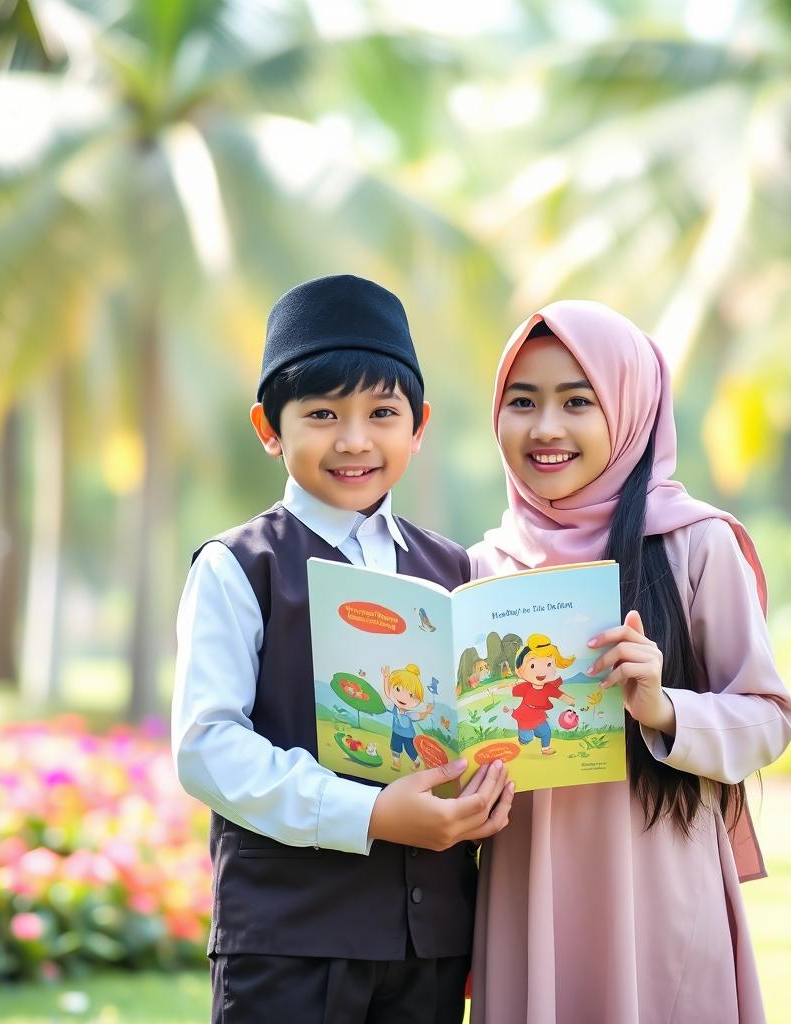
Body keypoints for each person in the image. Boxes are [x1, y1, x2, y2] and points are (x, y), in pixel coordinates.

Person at [171, 275, 514, 1024]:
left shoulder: (456, 571)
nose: (355, 440)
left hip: (428, 946)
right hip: (287, 945)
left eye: (382, 413)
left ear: (419, 425)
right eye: (323, 414)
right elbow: (207, 746)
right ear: (269, 426)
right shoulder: (238, 567)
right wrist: (368, 815)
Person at [468, 301, 791, 1023]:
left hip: (659, 887)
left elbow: (769, 718)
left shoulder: (693, 545)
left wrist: (664, 707)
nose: (546, 427)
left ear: (631, 408)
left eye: (577, 401)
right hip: (528, 891)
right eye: (522, 401)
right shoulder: (484, 566)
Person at [504, 634, 576, 755]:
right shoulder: (525, 687)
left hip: (539, 716)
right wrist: (498, 688)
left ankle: (545, 749)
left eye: (548, 664)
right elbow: (511, 691)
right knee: (527, 738)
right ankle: (524, 739)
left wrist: (574, 703)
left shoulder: (548, 688)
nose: (541, 671)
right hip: (525, 716)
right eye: (533, 665)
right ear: (520, 669)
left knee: (546, 731)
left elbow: (561, 696)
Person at [381, 662, 434, 770]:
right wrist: (386, 678)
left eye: (410, 695)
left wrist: (426, 712)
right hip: (396, 732)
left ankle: (417, 762)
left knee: (410, 750)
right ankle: (396, 763)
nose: (402, 697)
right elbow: (387, 692)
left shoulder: (409, 714)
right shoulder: (395, 708)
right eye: (398, 689)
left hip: (408, 736)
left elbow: (419, 716)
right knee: (395, 747)